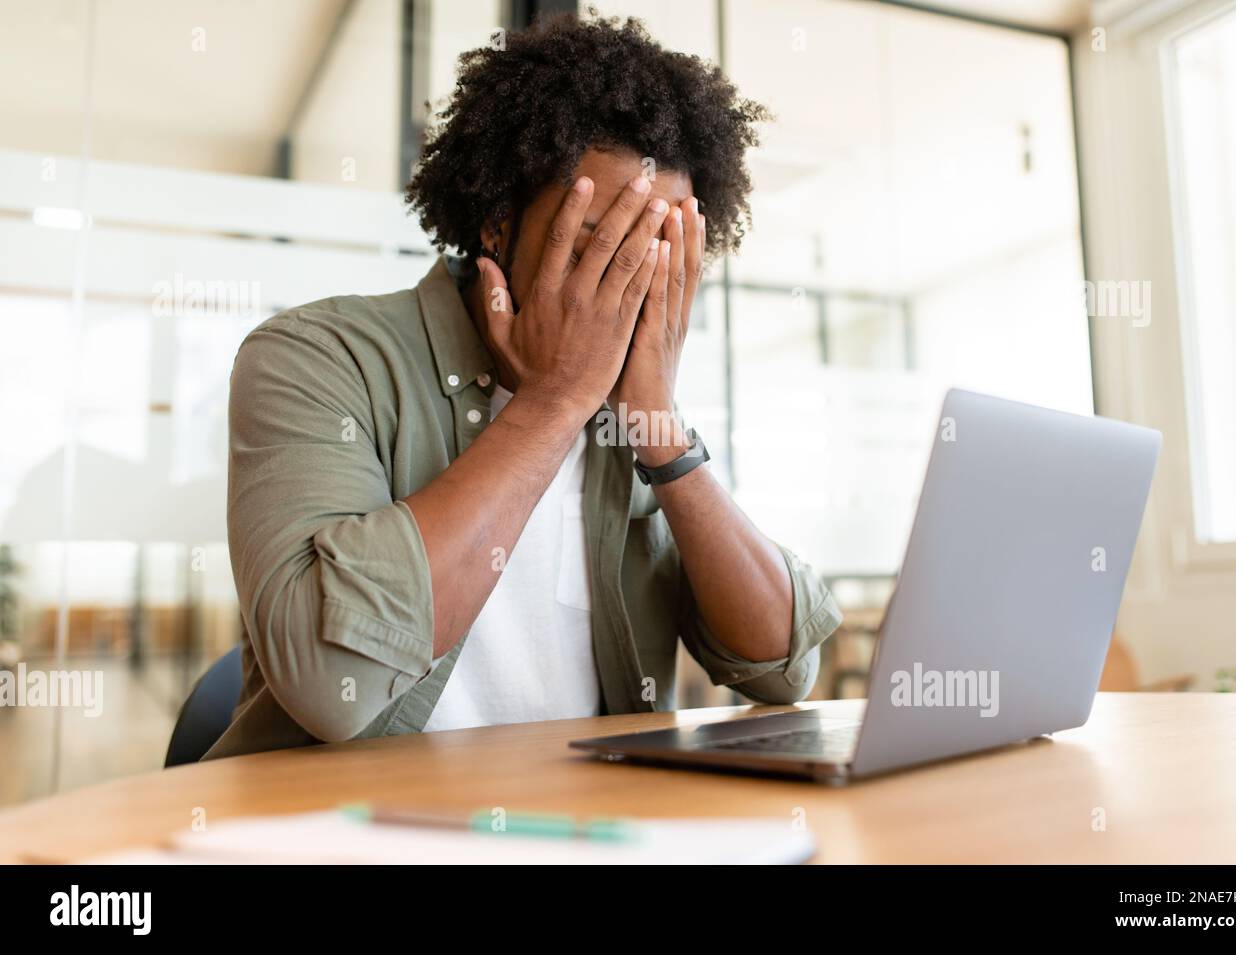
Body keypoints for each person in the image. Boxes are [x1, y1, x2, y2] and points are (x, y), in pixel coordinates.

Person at [206, 14, 841, 758]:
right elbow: (327, 680)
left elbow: (784, 666)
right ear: (498, 226)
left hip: (589, 831)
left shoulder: (630, 418)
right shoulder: (316, 358)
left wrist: (658, 427)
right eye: (600, 240)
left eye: (655, 250)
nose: (628, 277)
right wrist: (552, 402)